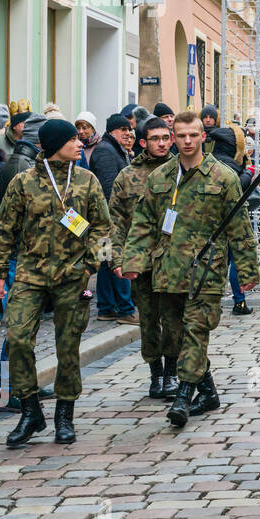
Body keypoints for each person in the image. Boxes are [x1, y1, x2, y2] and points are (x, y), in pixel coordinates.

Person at [120, 110, 259, 428]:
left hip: (205, 272)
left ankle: (183, 397)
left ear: (202, 137)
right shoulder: (159, 179)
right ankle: (208, 393)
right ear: (172, 138)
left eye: (192, 135)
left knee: (196, 332)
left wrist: (248, 271)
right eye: (179, 136)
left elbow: (240, 227)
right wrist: (132, 260)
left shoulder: (222, 178)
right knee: (179, 337)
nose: (185, 141)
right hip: (167, 271)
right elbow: (143, 224)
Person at [0, 118, 110, 446]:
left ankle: (64, 416)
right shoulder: (23, 182)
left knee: (67, 347)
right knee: (16, 339)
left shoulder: (87, 181)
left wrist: (91, 266)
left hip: (74, 277)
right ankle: (30, 411)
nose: (79, 143)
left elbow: (103, 227)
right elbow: (4, 228)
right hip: (30, 274)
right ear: (55, 144)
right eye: (72, 139)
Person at [108, 116, 180, 398]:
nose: (162, 143)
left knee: (173, 319)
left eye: (166, 138)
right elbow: (115, 221)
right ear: (143, 143)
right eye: (155, 139)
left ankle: (173, 372)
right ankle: (156, 372)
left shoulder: (181, 171)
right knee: (149, 321)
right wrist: (116, 258)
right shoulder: (127, 177)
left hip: (175, 259)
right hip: (142, 261)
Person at [87, 114, 136, 325]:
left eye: (129, 130)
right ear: (112, 131)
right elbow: (109, 188)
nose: (128, 133)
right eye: (122, 129)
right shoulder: (106, 152)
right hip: (109, 221)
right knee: (116, 261)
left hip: (107, 220)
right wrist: (116, 219)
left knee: (106, 265)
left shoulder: (115, 150)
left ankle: (107, 307)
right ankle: (125, 309)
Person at [208, 125, 254, 315]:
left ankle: (213, 301)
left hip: (211, 222)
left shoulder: (207, 163)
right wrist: (248, 175)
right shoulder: (232, 166)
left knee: (215, 261)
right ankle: (239, 301)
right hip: (232, 220)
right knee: (234, 261)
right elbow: (237, 189)